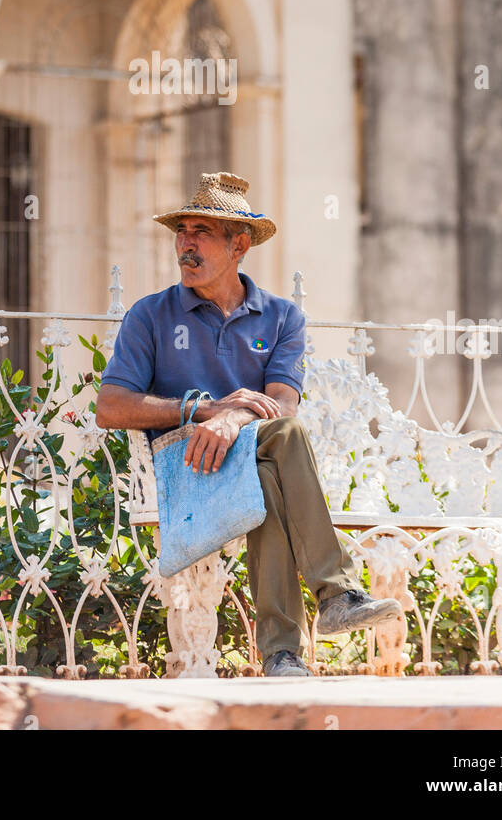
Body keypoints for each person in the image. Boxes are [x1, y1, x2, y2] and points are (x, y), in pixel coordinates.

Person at [95, 170, 401, 678]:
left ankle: (283, 655)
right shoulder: (151, 315)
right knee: (279, 445)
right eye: (182, 232)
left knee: (267, 470)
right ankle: (336, 594)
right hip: (187, 464)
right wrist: (202, 412)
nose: (185, 246)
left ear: (239, 245)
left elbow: (282, 403)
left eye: (202, 234)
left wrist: (234, 417)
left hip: (258, 459)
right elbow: (110, 407)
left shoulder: (281, 318)